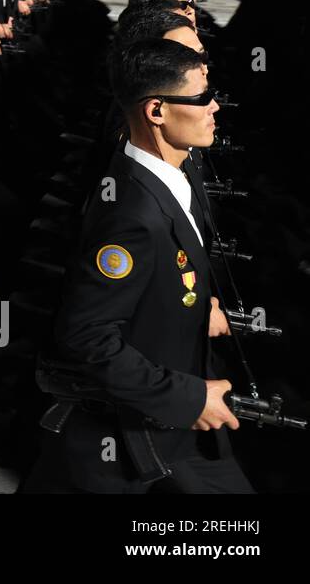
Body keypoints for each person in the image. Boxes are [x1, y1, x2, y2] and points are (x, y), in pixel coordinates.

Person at [25, 38, 250, 493]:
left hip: (174, 406)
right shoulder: (131, 214)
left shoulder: (178, 173)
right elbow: (86, 337)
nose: (214, 109)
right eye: (201, 98)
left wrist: (194, 305)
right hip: (133, 429)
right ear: (156, 111)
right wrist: (188, 398)